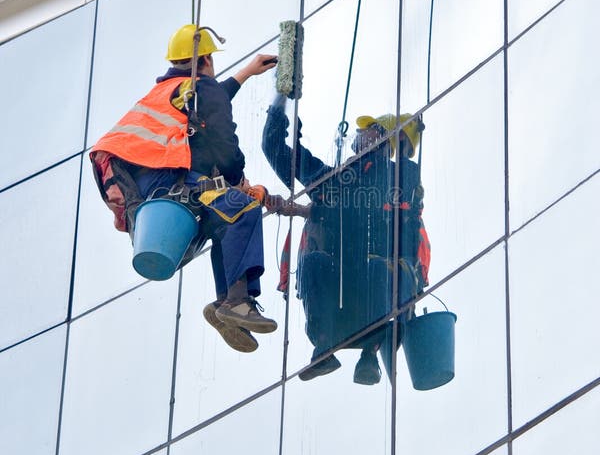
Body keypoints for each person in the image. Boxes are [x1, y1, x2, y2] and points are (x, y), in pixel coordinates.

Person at [90, 24, 279, 352]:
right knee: (241, 208)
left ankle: (228, 305)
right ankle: (235, 302)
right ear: (206, 58)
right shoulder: (201, 89)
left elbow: (204, 103)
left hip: (153, 189)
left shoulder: (167, 91)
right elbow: (223, 138)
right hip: (177, 181)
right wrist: (239, 182)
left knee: (224, 220)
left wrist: (245, 74)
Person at [262, 99, 430, 384]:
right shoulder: (337, 181)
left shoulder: (396, 178)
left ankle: (369, 353)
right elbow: (275, 150)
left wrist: (401, 142)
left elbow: (399, 194)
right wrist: (280, 109)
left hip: (378, 290)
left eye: (369, 130)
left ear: (383, 138)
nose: (359, 134)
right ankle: (324, 347)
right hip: (345, 295)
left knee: (377, 266)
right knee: (313, 263)